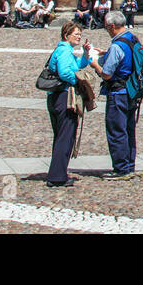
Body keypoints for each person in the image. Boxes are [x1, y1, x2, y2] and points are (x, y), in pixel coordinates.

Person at [88, 11, 140, 180]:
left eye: (105, 25)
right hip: (132, 91)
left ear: (111, 26)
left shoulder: (117, 46)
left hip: (118, 93)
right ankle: (129, 165)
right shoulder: (132, 39)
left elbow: (107, 74)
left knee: (117, 131)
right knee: (128, 129)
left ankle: (121, 169)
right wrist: (106, 54)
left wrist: (94, 63)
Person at [43, 20, 93, 187]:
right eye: (76, 34)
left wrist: (85, 54)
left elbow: (77, 65)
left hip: (57, 97)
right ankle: (57, 177)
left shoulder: (66, 51)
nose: (79, 37)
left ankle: (58, 172)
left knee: (62, 136)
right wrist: (78, 81)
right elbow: (65, 72)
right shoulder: (64, 51)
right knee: (65, 137)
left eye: (80, 34)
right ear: (66, 35)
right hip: (64, 98)